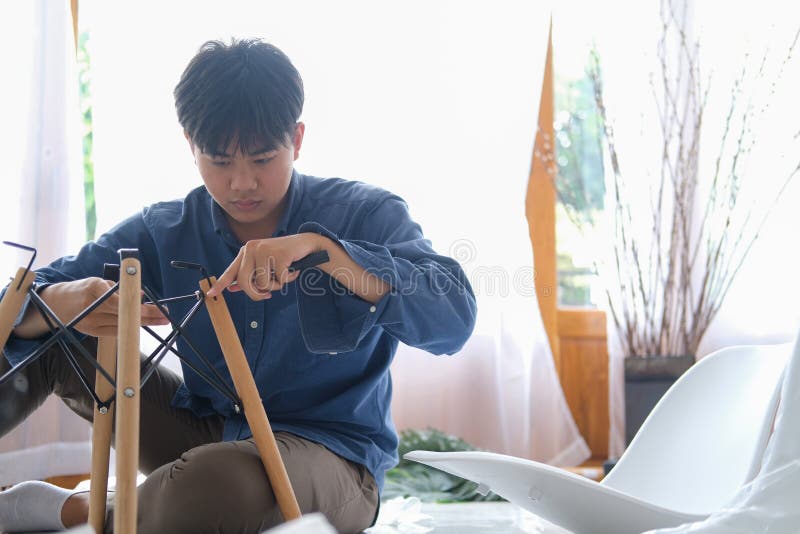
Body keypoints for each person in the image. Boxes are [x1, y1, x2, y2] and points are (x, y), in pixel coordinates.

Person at [0, 38, 476, 533]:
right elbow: (15, 303)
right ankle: (154, 500)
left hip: (332, 457)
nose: (242, 184)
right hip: (207, 435)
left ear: (297, 138)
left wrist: (324, 252)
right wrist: (58, 302)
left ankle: (75, 509)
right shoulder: (166, 228)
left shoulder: (362, 213)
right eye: (220, 162)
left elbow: (455, 319)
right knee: (50, 342)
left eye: (263, 158)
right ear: (190, 144)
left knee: (212, 486)